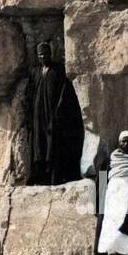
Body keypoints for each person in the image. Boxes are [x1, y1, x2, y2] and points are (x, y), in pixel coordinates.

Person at [29, 41, 84, 185]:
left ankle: (55, 178)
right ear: (37, 56)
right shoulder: (35, 73)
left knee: (53, 146)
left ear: (50, 54)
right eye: (40, 55)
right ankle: (40, 178)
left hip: (54, 116)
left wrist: (58, 112)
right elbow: (31, 93)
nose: (43, 57)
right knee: (39, 146)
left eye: (45, 54)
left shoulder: (59, 70)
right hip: (39, 117)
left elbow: (64, 92)